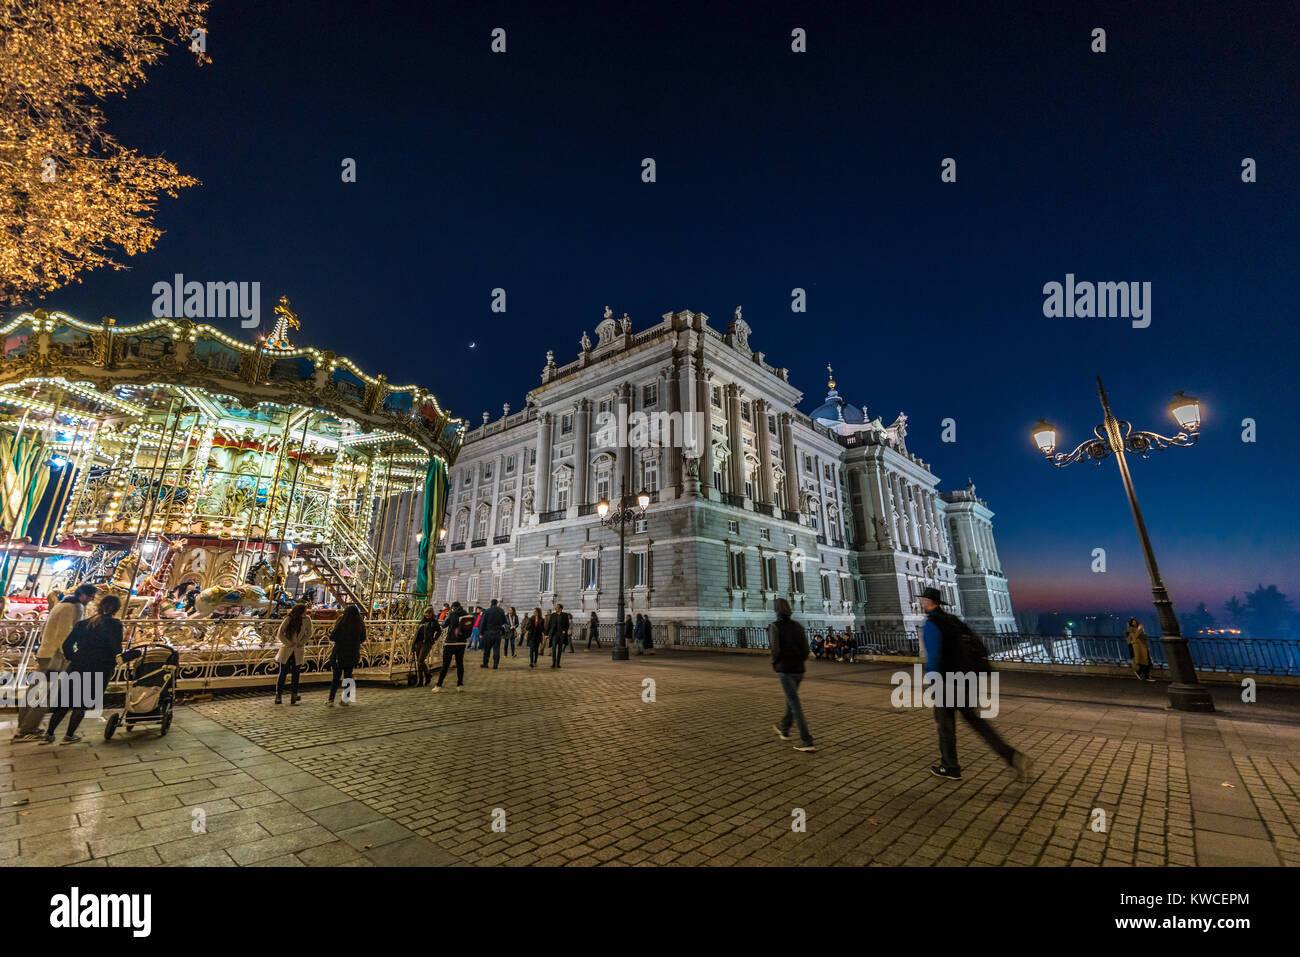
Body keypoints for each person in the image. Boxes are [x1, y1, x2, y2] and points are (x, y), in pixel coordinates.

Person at [920, 587, 1029, 782]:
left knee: (945, 726)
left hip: (946, 682)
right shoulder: (954, 621)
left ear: (927, 602)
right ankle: (1011, 756)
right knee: (976, 722)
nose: (921, 603)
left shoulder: (932, 624)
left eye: (922, 600)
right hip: (966, 680)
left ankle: (950, 767)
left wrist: (931, 679)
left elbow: (934, 657)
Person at [44, 595, 138, 744]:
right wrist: (134, 654)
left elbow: (67, 645)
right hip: (99, 668)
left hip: (78, 665)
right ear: (117, 609)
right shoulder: (115, 625)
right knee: (81, 704)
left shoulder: (83, 624)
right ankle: (69, 735)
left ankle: (49, 733)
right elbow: (116, 651)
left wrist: (73, 658)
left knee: (65, 701)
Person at [14, 583, 97, 741]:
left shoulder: (62, 604)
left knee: (34, 691)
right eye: (91, 597)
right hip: (56, 657)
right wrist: (70, 654)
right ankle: (28, 729)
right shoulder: (75, 607)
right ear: (84, 595)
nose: (91, 601)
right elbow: (65, 634)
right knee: (45, 694)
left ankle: (22, 727)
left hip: (45, 652)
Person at [769, 597, 815, 752]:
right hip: (799, 670)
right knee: (791, 699)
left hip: (785, 670)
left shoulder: (775, 627)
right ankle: (784, 729)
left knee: (795, 704)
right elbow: (805, 650)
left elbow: (775, 650)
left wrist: (775, 663)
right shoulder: (798, 626)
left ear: (776, 610)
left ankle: (807, 741)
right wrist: (799, 661)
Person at [326, 605, 366, 706]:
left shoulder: (342, 622)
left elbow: (333, 637)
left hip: (339, 653)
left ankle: (331, 700)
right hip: (352, 653)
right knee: (348, 676)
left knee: (336, 678)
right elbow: (363, 639)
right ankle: (346, 699)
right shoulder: (359, 624)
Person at [274, 602, 313, 705]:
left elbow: (309, 633)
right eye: (304, 610)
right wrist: (288, 643)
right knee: (283, 673)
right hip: (287, 649)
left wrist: (302, 642)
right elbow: (280, 633)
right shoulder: (289, 619)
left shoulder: (307, 620)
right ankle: (278, 695)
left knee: (296, 673)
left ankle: (294, 695)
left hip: (298, 649)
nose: (306, 612)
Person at [434, 602, 473, 691]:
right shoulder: (466, 614)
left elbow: (444, 625)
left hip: (450, 642)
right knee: (460, 664)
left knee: (445, 665)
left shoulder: (452, 614)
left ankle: (439, 685)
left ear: (453, 608)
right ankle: (460, 685)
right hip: (462, 643)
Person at [410, 606, 441, 686]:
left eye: (429, 613)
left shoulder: (434, 622)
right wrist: (413, 644)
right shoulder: (422, 621)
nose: (427, 614)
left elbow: (439, 631)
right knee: (419, 662)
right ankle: (420, 680)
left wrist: (434, 639)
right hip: (418, 642)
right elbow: (417, 633)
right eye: (426, 613)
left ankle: (427, 675)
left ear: (432, 613)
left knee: (420, 660)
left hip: (427, 643)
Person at [479, 598, 508, 669]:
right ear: (497, 603)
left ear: (491, 603)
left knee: (487, 650)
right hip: (497, 633)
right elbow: (504, 621)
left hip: (488, 633)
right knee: (496, 649)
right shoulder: (501, 610)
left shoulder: (487, 611)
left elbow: (483, 622)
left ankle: (485, 664)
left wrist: (481, 633)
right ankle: (495, 665)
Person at [1125, 618, 1153, 682]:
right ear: (1131, 624)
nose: (1134, 623)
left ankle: (1145, 675)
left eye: (1135, 622)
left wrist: (1143, 634)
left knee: (1147, 661)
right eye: (1133, 622)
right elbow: (1134, 637)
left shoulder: (1138, 629)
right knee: (1142, 661)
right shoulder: (1130, 629)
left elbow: (1144, 637)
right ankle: (1142, 674)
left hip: (1143, 647)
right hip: (1137, 648)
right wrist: (1139, 629)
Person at [547, 602, 570, 668]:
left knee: (560, 649)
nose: (555, 608)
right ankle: (553, 663)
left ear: (560, 609)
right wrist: (547, 633)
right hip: (554, 634)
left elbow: (567, 625)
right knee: (553, 647)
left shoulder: (565, 615)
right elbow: (549, 625)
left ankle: (558, 663)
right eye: (556, 607)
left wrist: (564, 630)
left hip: (561, 635)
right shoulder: (553, 615)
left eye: (557, 607)